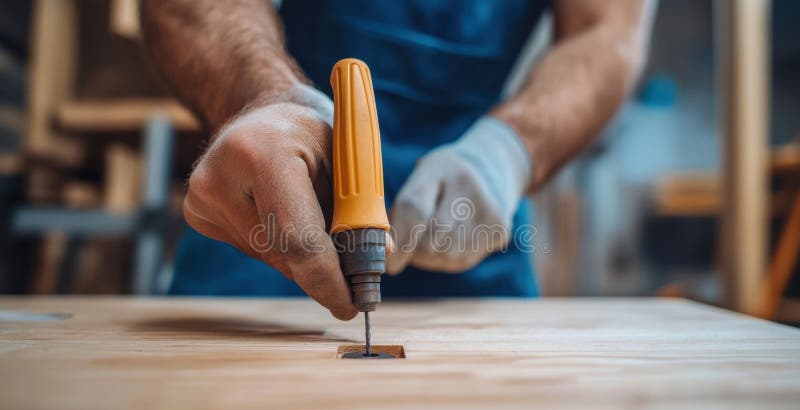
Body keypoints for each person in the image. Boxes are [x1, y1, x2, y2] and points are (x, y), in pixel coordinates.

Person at [140, 0, 654, 320]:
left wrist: (510, 150)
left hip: (473, 221)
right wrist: (266, 99)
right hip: (268, 209)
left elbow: (606, 30)